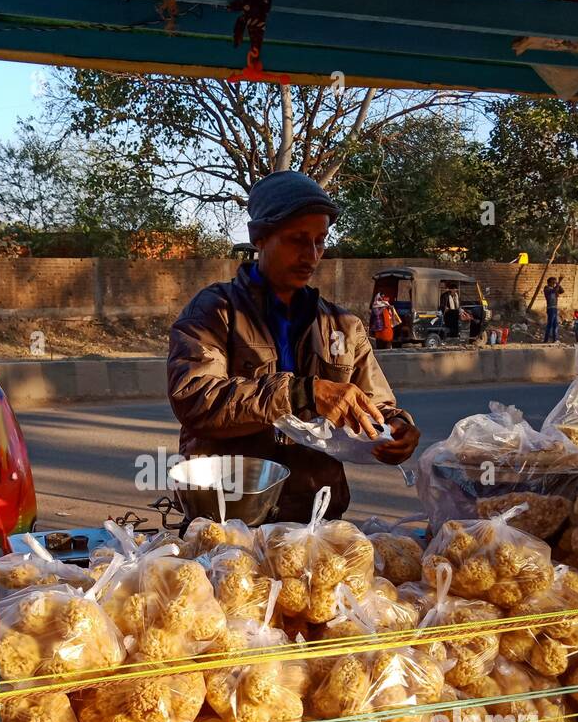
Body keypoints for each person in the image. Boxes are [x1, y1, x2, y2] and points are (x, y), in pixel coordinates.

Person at [168, 170, 420, 521]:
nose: (311, 254)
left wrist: (396, 429)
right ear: (260, 239)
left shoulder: (343, 327)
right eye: (297, 240)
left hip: (314, 520)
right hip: (230, 518)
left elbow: (375, 404)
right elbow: (196, 398)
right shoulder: (215, 312)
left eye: (320, 240)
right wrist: (303, 393)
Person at [543, 276, 565, 342]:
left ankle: (555, 340)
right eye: (552, 282)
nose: (553, 284)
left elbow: (562, 291)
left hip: (555, 308)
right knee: (550, 324)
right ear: (549, 282)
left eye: (554, 282)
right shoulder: (546, 288)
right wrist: (559, 282)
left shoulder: (554, 288)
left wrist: (558, 284)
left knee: (555, 325)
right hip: (550, 308)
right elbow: (553, 291)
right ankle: (546, 340)